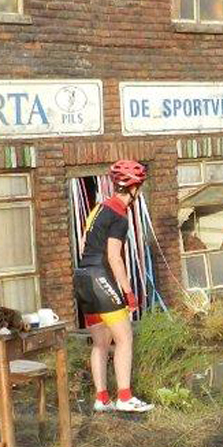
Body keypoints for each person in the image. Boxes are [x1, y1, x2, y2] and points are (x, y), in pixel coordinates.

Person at [79, 160, 153, 413]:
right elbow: (114, 257)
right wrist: (128, 291)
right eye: (140, 187)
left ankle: (102, 398)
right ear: (134, 189)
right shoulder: (119, 216)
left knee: (100, 343)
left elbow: (83, 245)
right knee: (125, 338)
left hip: (83, 277)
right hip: (102, 276)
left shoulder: (98, 209)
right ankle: (124, 397)